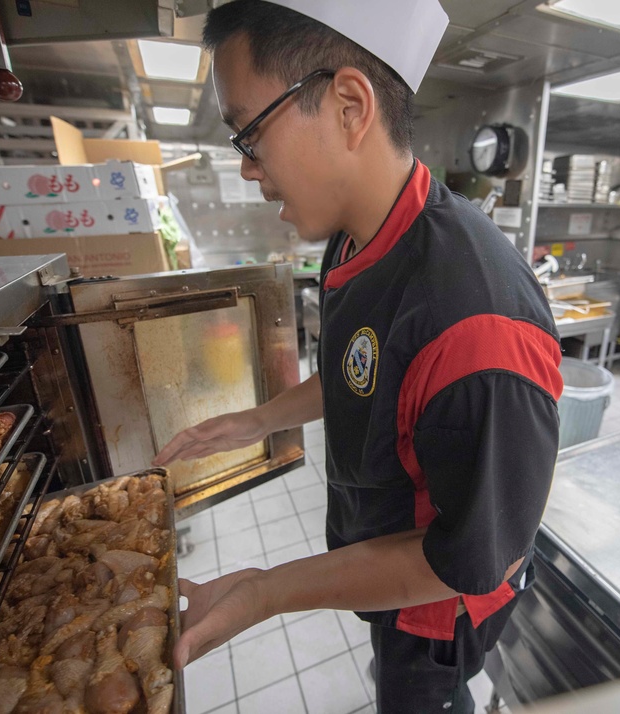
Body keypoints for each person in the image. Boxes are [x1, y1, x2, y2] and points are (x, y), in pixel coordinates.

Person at [152, 1, 563, 711]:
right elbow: (364, 371)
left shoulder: (477, 324)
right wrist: (256, 421)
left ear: (348, 105)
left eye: (250, 134)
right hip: (381, 556)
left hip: (437, 605)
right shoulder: (357, 237)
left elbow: (463, 560)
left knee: (419, 694)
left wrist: (266, 591)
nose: (248, 168)